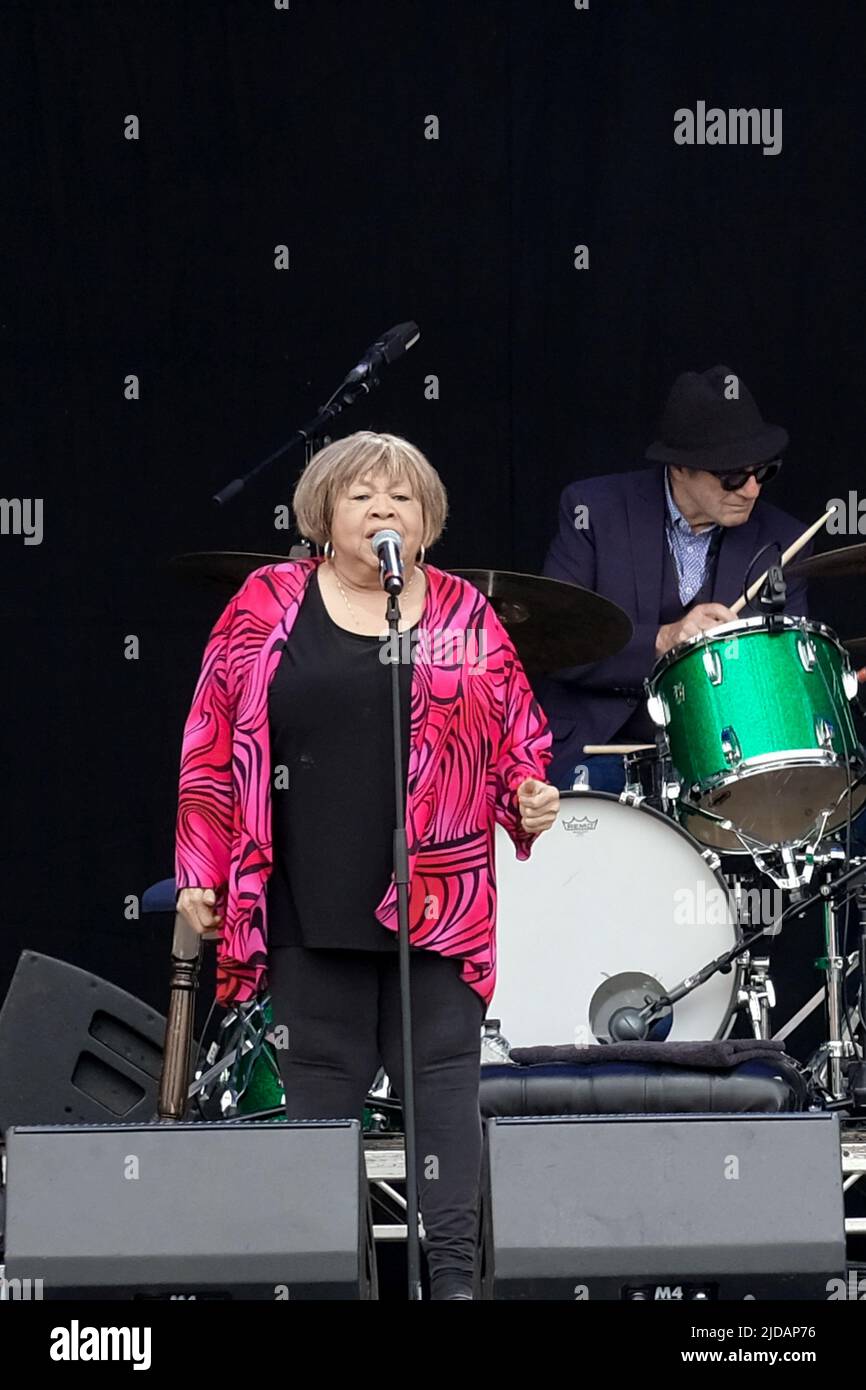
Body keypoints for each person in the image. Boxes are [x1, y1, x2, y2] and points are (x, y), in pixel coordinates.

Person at [174, 430, 558, 1300]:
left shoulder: (465, 613)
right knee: (320, 1097)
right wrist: (202, 863)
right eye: (363, 496)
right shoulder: (265, 603)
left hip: (440, 898)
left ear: (426, 523)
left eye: (404, 498)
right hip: (308, 894)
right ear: (323, 514)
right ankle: (326, 1283)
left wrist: (529, 795)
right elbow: (208, 739)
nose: (385, 510)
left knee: (445, 1096)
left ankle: (454, 1281)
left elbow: (519, 741)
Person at [539, 364, 811, 790]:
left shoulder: (783, 540)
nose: (752, 490)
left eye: (764, 472)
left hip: (719, 762)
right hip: (597, 751)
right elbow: (555, 644)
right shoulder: (592, 512)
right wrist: (663, 639)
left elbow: (784, 682)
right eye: (733, 476)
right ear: (679, 467)